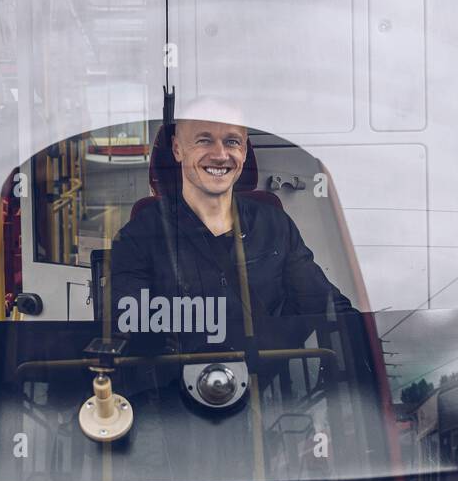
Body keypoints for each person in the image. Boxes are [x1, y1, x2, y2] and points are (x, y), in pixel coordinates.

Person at [108, 101, 352, 350]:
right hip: (179, 384)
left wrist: (366, 343)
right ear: (178, 149)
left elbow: (327, 305)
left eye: (232, 142)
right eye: (204, 140)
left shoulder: (275, 225)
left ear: (244, 152)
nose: (220, 155)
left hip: (270, 382)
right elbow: (128, 332)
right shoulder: (139, 236)